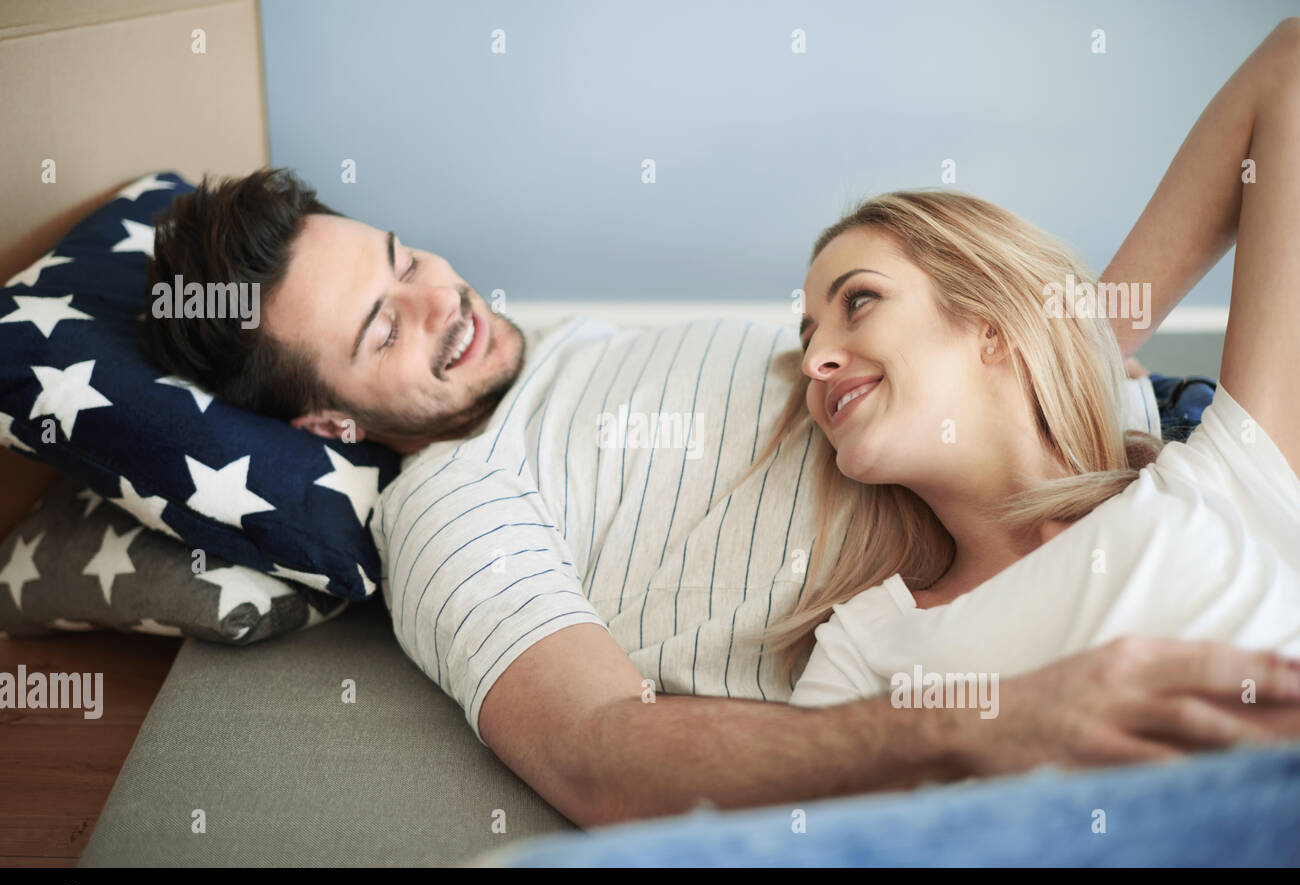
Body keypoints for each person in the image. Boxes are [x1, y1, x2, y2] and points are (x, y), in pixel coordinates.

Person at [136, 20, 1300, 827]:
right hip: (992, 639)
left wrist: (1076, 358)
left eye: (404, 261)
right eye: (379, 330)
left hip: (1133, 462)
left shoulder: (586, 343)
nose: (438, 306)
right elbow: (596, 747)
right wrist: (987, 723)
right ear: (331, 421)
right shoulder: (452, 503)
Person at [775, 21, 1300, 711]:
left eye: (860, 301)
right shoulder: (867, 643)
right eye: (808, 336)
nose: (814, 360)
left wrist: (1086, 342)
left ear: (991, 325)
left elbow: (1288, 65)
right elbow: (796, 808)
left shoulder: (1222, 478)